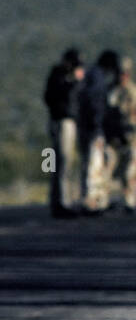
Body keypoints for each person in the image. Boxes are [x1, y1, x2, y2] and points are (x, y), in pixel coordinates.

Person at [104, 56, 136, 213]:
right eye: (119, 72)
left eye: (125, 72)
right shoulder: (109, 93)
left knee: (129, 173)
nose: (122, 76)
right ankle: (102, 202)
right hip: (112, 140)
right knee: (104, 170)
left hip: (132, 140)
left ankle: (129, 202)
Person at [44, 47, 84, 218]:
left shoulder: (60, 76)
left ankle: (61, 201)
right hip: (62, 122)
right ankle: (62, 203)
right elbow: (52, 97)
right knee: (63, 163)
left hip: (66, 122)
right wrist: (74, 82)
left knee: (64, 163)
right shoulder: (59, 76)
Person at [77, 50, 117, 215]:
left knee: (93, 163)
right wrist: (98, 124)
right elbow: (95, 103)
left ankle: (97, 200)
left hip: (87, 126)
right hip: (93, 128)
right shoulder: (97, 78)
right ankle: (91, 203)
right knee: (94, 165)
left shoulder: (90, 75)